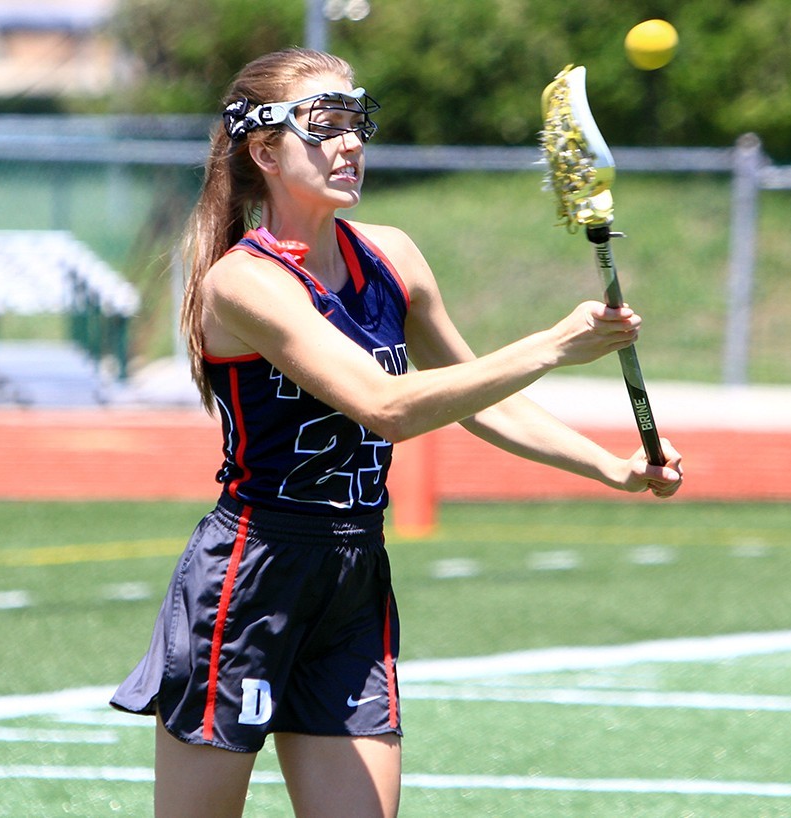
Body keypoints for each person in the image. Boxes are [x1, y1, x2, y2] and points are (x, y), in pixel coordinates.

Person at [110, 47, 683, 818]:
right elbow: (386, 404)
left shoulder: (394, 255)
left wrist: (609, 466)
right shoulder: (242, 283)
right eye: (327, 123)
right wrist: (554, 344)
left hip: (352, 575)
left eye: (358, 121)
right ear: (265, 149)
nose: (351, 143)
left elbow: (478, 398)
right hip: (252, 578)